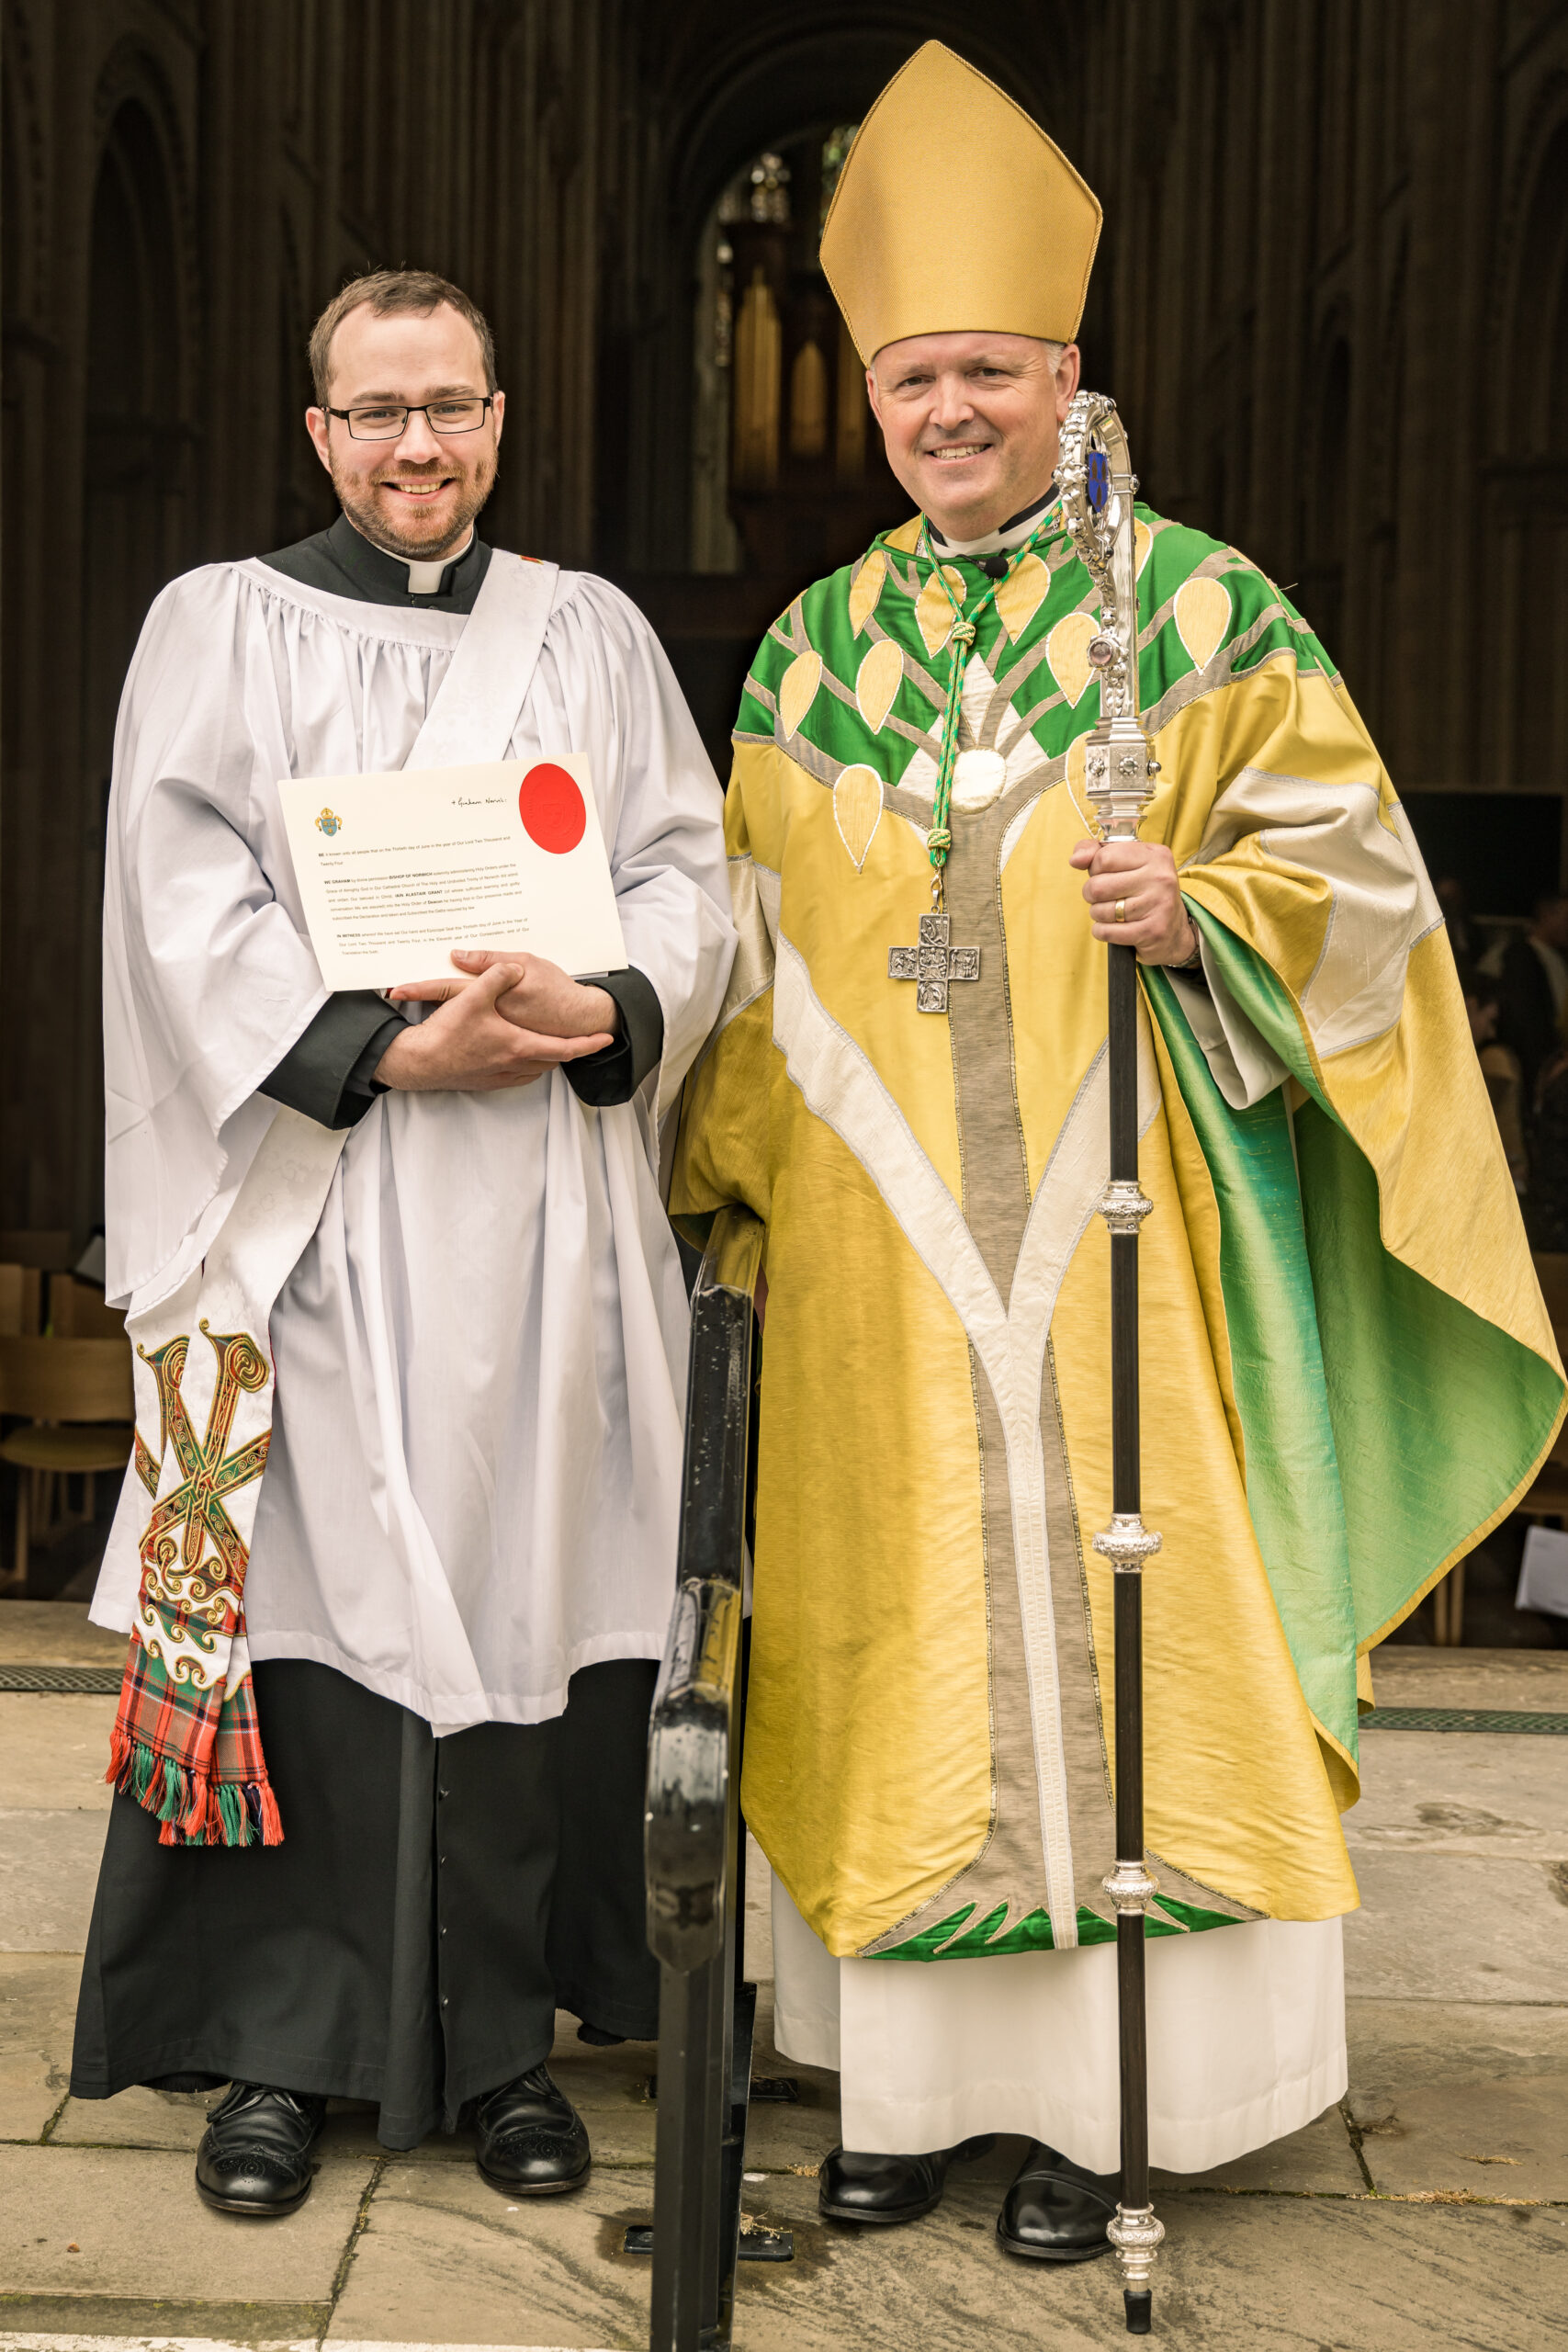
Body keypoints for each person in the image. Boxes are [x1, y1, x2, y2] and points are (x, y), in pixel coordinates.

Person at [671, 43, 1563, 2263]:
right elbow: (741, 954)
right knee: (883, 1634)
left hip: (1121, 1243)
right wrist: (711, 1183)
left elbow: (1361, 893)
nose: (943, 410)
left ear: (1062, 375)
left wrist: (1205, 912)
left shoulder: (1194, 609)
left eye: (983, 369)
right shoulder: (802, 651)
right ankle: (897, 2095)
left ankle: (1101, 2110)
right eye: (909, 378)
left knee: (1129, 1632)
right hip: (876, 1270)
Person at [73, 269, 735, 2215]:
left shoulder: (593, 635)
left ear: (499, 420)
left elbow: (685, 872)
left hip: (540, 1221)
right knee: (314, 1608)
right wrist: (377, 1045)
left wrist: (606, 998)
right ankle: (281, 2055)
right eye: (377, 411)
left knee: (531, 1603)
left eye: (448, 405)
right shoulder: (220, 623)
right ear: (321, 432)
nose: (417, 444)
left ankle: (508, 2049)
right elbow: (177, 888)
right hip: (318, 1206)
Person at [1490, 889, 1568, 1095]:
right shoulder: (1522, 957)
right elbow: (1525, 1019)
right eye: (1565, 917)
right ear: (1546, 914)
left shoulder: (1559, 958)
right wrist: (1546, 1066)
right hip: (1540, 1068)